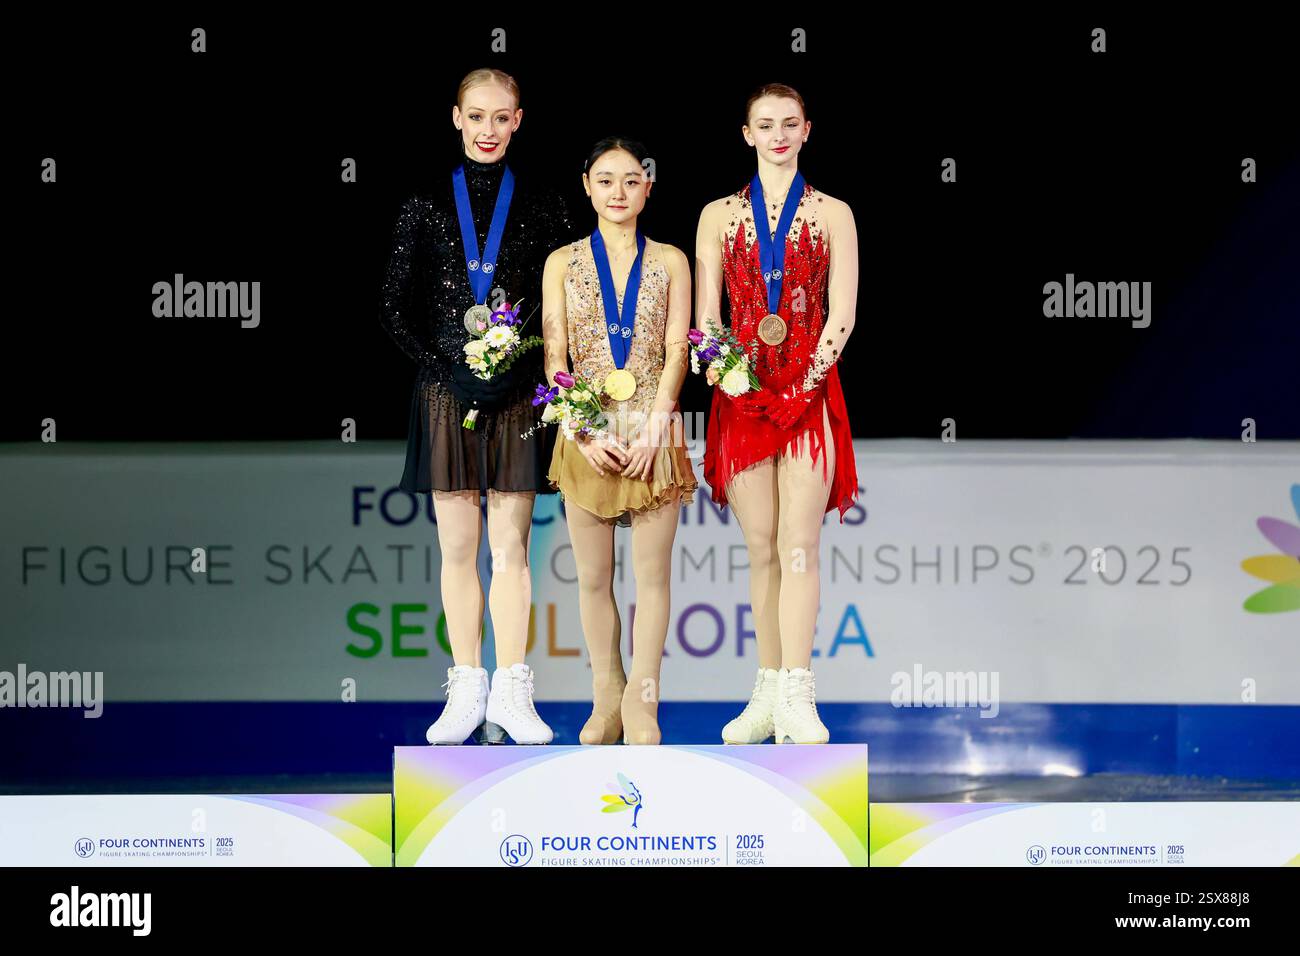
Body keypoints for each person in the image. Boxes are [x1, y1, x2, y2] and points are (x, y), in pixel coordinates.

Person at [380, 68, 574, 744]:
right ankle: (465, 688)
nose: (488, 130)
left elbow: (561, 308)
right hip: (444, 392)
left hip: (519, 393)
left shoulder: (545, 204)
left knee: (511, 547)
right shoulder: (425, 202)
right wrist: (448, 368)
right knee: (458, 548)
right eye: (476, 116)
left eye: (502, 117)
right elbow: (392, 305)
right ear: (455, 118)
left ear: (518, 120)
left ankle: (514, 691)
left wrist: (519, 364)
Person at [695, 84, 859, 744]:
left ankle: (799, 694)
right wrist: (734, 377)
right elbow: (707, 318)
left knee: (800, 545)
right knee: (760, 548)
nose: (779, 134)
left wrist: (805, 384)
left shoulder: (834, 214)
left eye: (790, 123)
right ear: (746, 133)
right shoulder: (715, 217)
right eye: (766, 124)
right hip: (741, 396)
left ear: (808, 129)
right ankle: (765, 692)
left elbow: (841, 313)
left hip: (810, 396)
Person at [541, 137, 697, 744]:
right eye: (606, 180)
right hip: (588, 432)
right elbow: (556, 350)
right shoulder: (563, 262)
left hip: (653, 428)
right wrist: (579, 427)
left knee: (652, 577)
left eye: (631, 181)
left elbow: (679, 345)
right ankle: (606, 698)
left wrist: (660, 417)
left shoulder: (671, 260)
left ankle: (643, 700)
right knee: (592, 578)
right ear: (586, 185)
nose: (618, 192)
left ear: (648, 187)